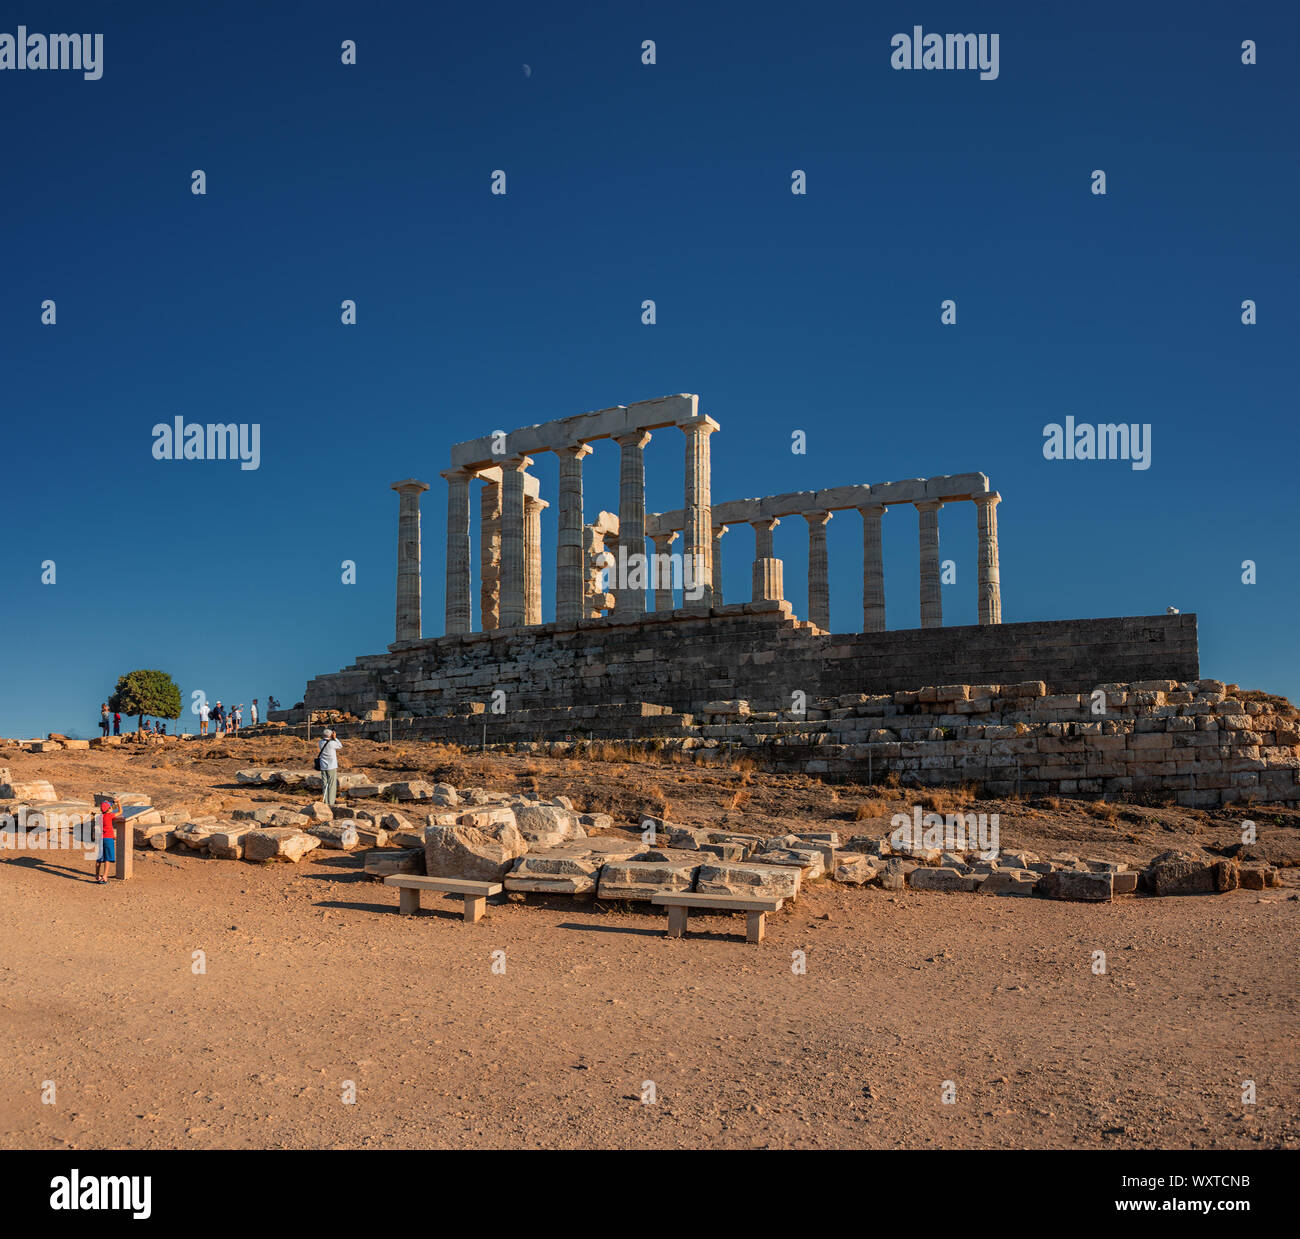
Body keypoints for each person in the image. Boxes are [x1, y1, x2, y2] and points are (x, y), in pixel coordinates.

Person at [317, 728, 342, 805]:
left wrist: (332, 737)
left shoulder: (320, 742)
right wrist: (335, 738)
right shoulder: (332, 743)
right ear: (330, 735)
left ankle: (325, 800)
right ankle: (331, 802)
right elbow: (340, 746)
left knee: (325, 783)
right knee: (331, 784)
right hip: (331, 766)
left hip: (323, 765)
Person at [95, 799, 117, 884]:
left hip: (101, 838)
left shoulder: (99, 817)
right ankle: (105, 876)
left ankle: (97, 875)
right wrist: (118, 803)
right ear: (109, 809)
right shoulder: (110, 815)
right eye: (111, 807)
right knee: (107, 859)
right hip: (108, 839)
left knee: (99, 858)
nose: (112, 808)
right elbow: (120, 812)